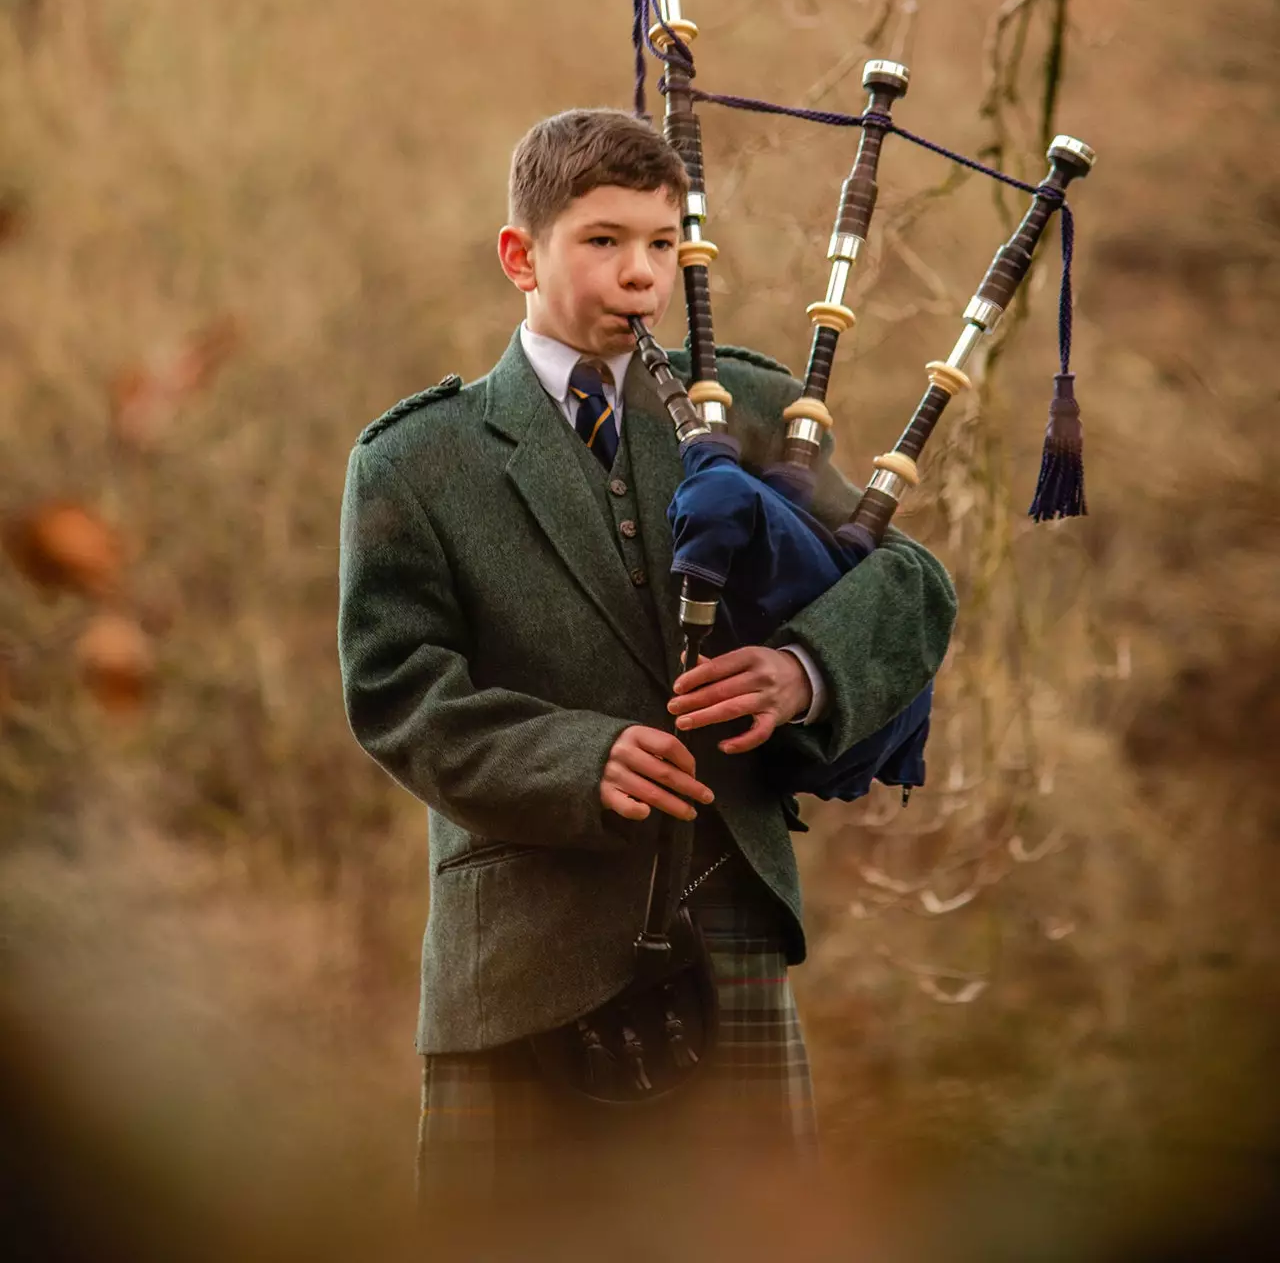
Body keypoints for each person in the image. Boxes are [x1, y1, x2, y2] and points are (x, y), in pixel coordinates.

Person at [337, 107, 956, 1204]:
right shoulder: (415, 461)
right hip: (518, 958)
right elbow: (399, 695)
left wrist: (803, 669)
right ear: (519, 255)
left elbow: (903, 585)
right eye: (604, 242)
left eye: (663, 244)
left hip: (728, 936)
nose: (642, 276)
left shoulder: (757, 408)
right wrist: (577, 761)